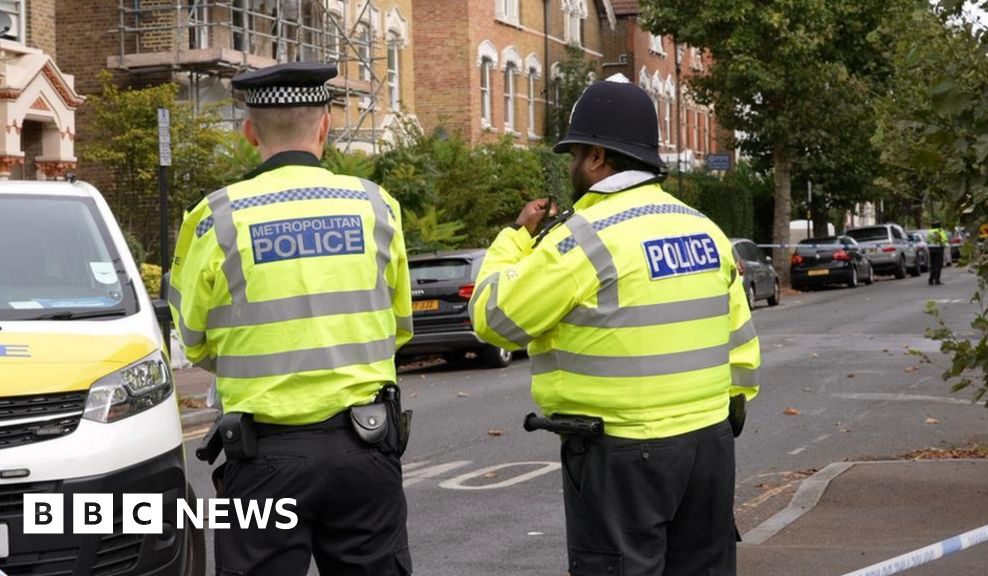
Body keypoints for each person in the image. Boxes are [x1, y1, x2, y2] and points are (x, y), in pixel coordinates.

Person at [470, 79, 761, 576]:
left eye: (575, 154)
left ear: (598, 156)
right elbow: (739, 337)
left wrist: (515, 237)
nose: (572, 166)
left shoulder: (585, 239)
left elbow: (493, 318)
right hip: (709, 442)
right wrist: (727, 408)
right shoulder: (704, 228)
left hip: (622, 451)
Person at [169, 62, 414, 576]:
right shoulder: (377, 206)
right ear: (326, 126)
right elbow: (397, 325)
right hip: (365, 447)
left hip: (263, 459)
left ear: (249, 132)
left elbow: (193, 339)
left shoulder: (215, 217)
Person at [928, 220, 949, 285]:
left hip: (931, 249)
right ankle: (937, 280)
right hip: (939, 249)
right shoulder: (940, 231)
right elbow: (945, 240)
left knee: (932, 265)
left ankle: (931, 279)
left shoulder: (930, 232)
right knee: (938, 265)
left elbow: (928, 240)